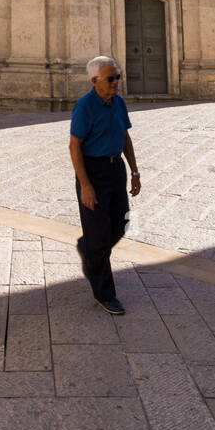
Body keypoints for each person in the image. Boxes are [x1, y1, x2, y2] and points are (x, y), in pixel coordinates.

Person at [69, 56, 141, 316]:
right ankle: (105, 294)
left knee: (120, 224)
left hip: (115, 169)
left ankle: (87, 247)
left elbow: (124, 136)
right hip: (93, 171)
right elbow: (74, 145)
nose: (116, 82)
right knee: (99, 236)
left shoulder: (118, 103)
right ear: (94, 80)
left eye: (117, 77)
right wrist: (85, 185)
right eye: (110, 78)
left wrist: (134, 171)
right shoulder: (85, 106)